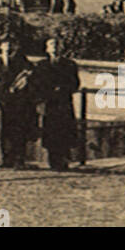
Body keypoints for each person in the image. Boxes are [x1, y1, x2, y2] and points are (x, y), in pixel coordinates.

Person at [0, 39, 37, 169]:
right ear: (1, 47)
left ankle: (19, 159)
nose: (8, 48)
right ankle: (6, 159)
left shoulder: (19, 60)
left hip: (18, 101)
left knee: (18, 129)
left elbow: (30, 71)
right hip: (3, 100)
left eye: (10, 45)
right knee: (4, 130)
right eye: (5, 45)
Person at [33, 37, 79, 170]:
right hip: (49, 103)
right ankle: (53, 160)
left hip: (63, 103)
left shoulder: (70, 64)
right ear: (47, 49)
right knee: (50, 131)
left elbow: (75, 83)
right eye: (52, 45)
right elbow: (36, 83)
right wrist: (45, 93)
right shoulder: (41, 65)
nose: (55, 48)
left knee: (64, 131)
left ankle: (64, 160)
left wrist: (63, 89)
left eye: (57, 45)